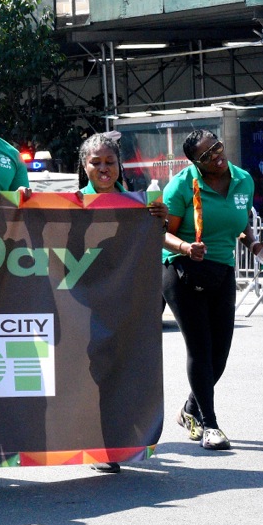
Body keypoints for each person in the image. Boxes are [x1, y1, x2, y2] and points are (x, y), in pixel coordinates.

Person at [162, 129, 263, 451]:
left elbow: (238, 224)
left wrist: (254, 243)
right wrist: (184, 246)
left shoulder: (243, 180)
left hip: (222, 271)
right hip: (182, 271)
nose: (217, 156)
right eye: (207, 155)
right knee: (201, 348)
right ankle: (210, 425)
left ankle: (190, 408)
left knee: (220, 354)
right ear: (195, 162)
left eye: (217, 147)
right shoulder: (181, 185)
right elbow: (161, 234)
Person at [76, 131, 168, 472]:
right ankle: (103, 446)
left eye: (110, 162)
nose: (103, 168)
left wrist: (160, 218)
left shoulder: (139, 203)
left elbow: (154, 242)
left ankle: (126, 443)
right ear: (84, 165)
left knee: (129, 371)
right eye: (95, 162)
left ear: (120, 165)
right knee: (97, 374)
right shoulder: (70, 204)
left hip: (131, 302)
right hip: (87, 304)